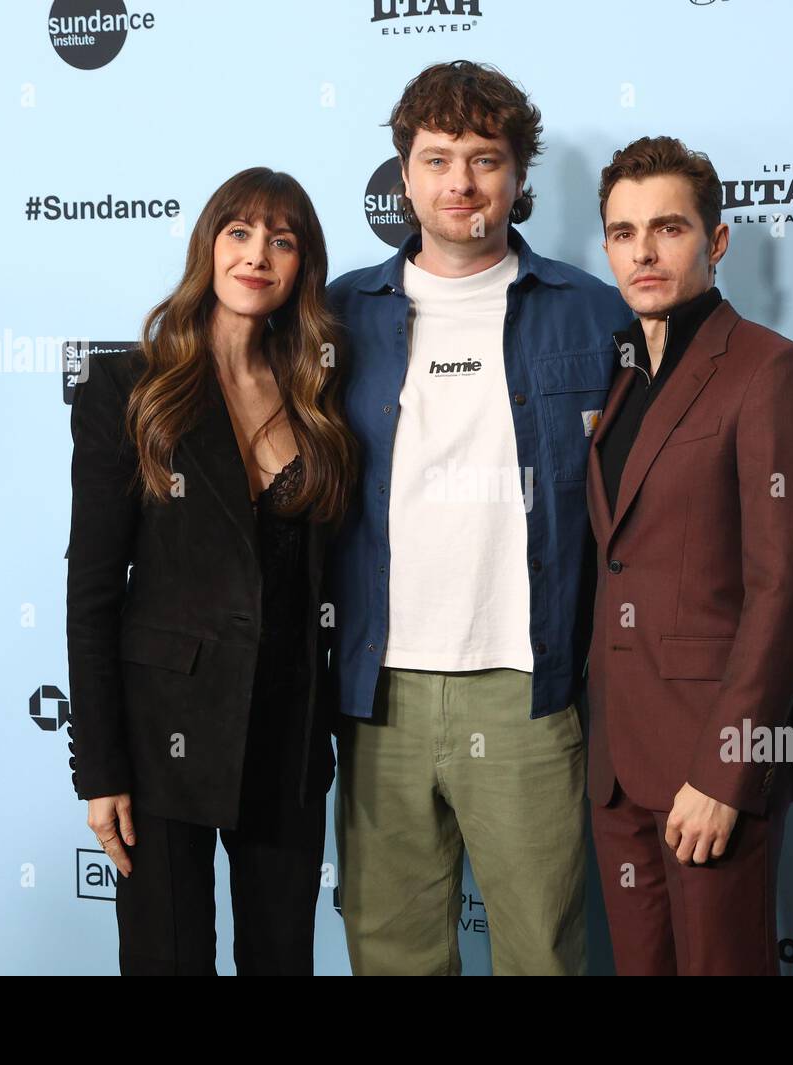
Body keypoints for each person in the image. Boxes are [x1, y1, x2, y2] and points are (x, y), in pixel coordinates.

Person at [325, 60, 632, 975]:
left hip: (530, 689)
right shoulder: (336, 316)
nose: (462, 182)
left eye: (486, 158)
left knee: (542, 953)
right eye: (439, 158)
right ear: (405, 174)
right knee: (393, 957)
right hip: (380, 691)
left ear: (519, 175)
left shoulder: (596, 312)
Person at [65, 166, 356, 975]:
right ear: (210, 246)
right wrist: (101, 767)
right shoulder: (129, 388)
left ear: (302, 265)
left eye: (283, 240)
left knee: (281, 962)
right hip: (163, 742)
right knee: (170, 961)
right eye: (241, 232)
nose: (258, 254)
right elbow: (91, 594)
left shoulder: (321, 397)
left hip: (285, 740)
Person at [587, 136, 793, 975]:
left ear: (718, 240)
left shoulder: (774, 374)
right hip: (619, 766)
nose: (644, 252)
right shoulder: (625, 378)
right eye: (623, 233)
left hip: (710, 763)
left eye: (668, 228)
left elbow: (786, 590)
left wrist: (728, 771)